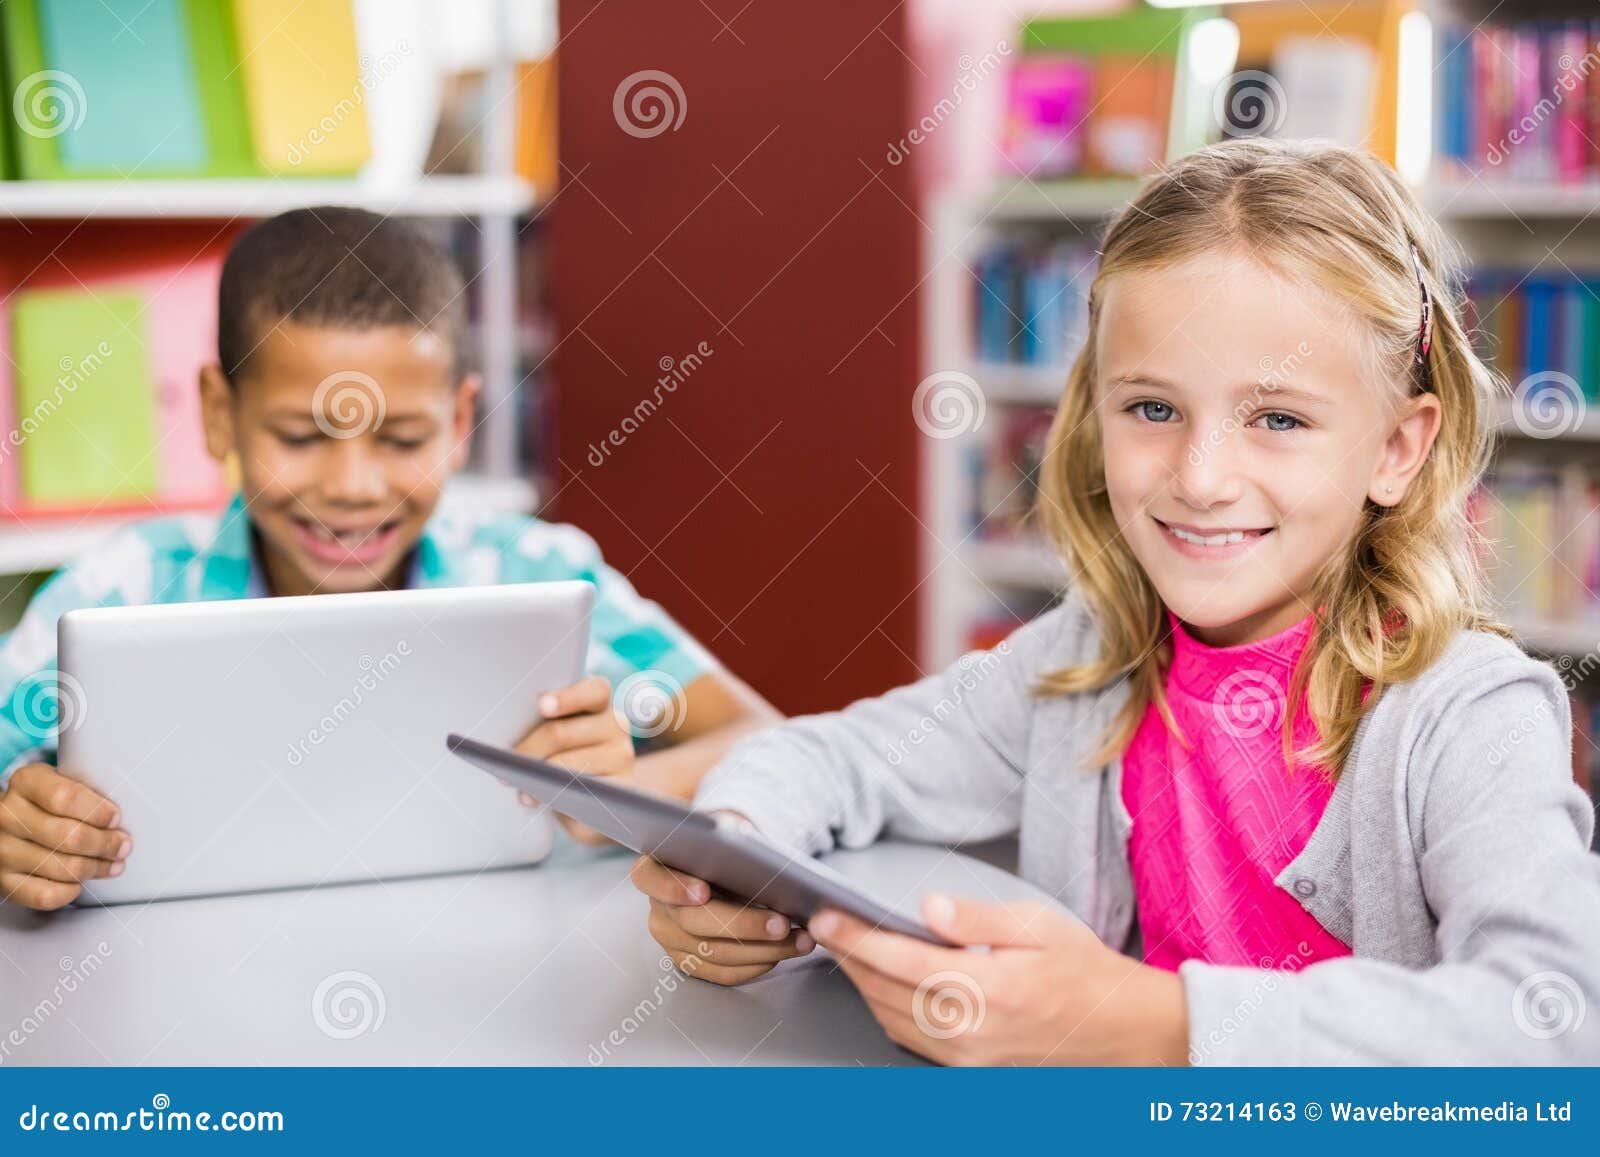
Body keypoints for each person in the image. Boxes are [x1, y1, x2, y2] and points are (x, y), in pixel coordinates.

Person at [631, 138, 1600, 1065]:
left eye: (1276, 418)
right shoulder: (1079, 667)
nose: (1201, 476)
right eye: (1152, 408)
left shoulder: (1466, 715)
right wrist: (732, 861)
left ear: (1396, 446)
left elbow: (1554, 1020)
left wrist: (1145, 1021)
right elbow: (829, 758)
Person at [0, 207, 776, 911]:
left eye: (402, 439)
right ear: (217, 414)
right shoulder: (121, 587)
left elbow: (756, 732)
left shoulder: (536, 575)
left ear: (460, 420)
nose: (351, 487)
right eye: (300, 438)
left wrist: (625, 790)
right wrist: (18, 826)